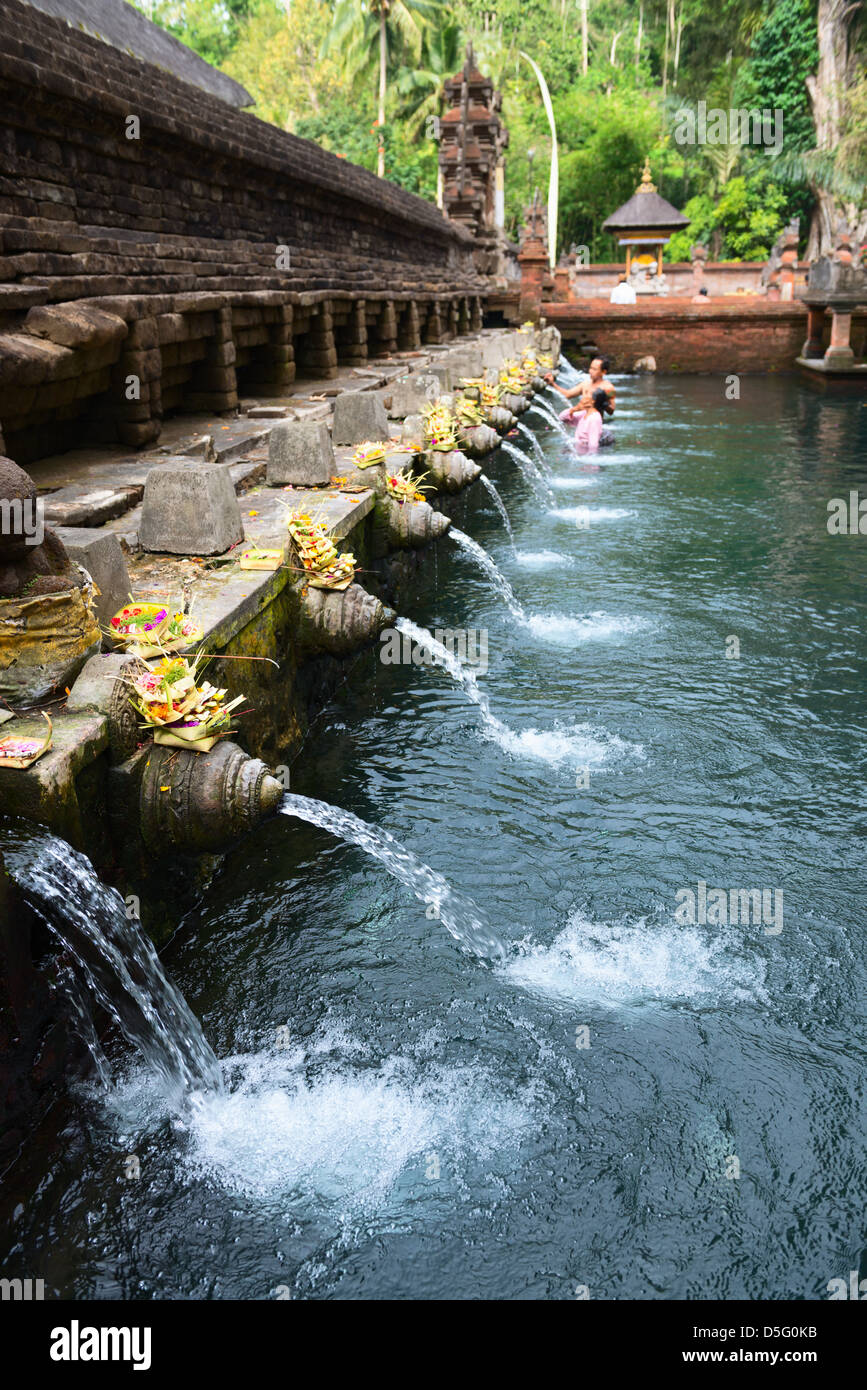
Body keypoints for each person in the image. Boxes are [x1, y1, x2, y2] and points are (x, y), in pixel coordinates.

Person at [545, 356, 616, 418]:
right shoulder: (585, 384)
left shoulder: (609, 388)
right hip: (582, 421)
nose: (591, 371)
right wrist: (552, 384)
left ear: (603, 372)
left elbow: (611, 410)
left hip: (595, 423)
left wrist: (602, 402)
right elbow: (567, 394)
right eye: (590, 368)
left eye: (594, 369)